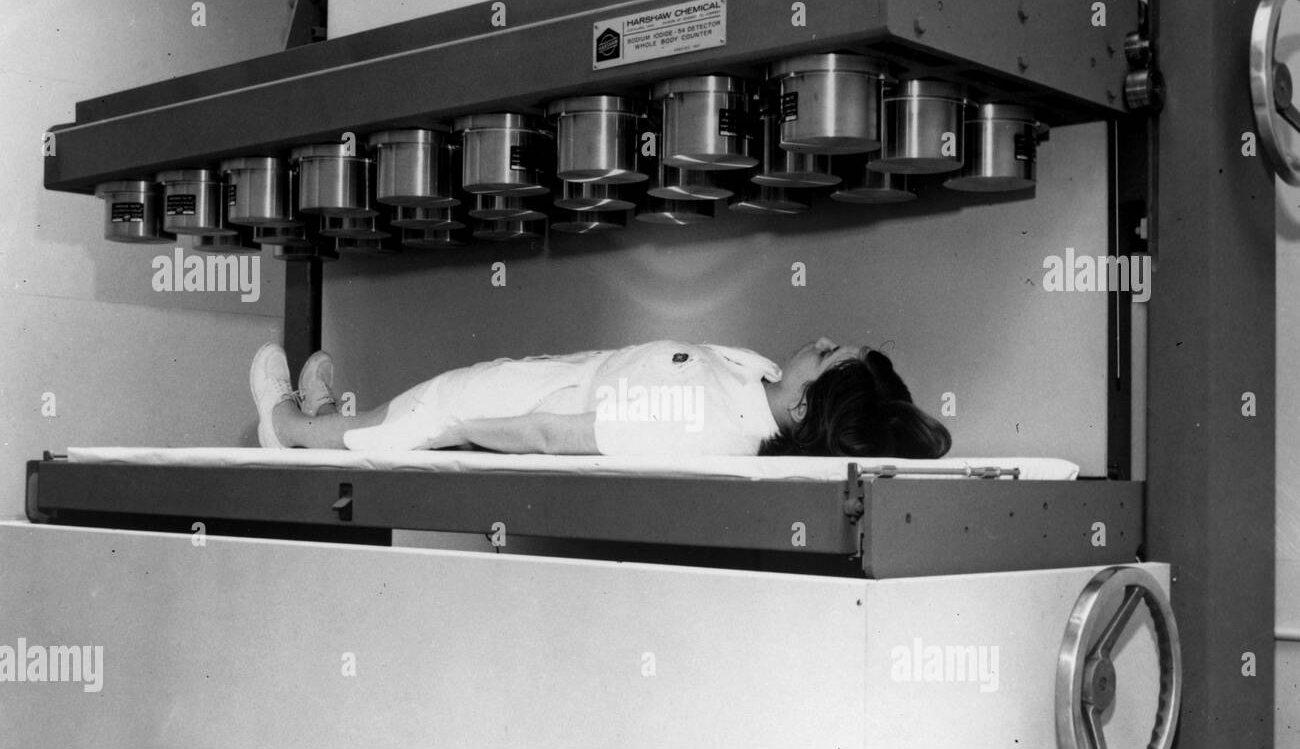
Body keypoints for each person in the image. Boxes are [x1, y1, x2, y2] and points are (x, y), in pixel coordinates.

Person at [249, 338, 953, 458]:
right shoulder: (762, 380)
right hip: (558, 372)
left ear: (804, 407)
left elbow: (558, 436)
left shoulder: (705, 423)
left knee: (414, 415)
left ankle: (285, 427)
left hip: (533, 401)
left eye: (828, 356)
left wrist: (458, 426)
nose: (821, 339)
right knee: (414, 408)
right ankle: (327, 420)